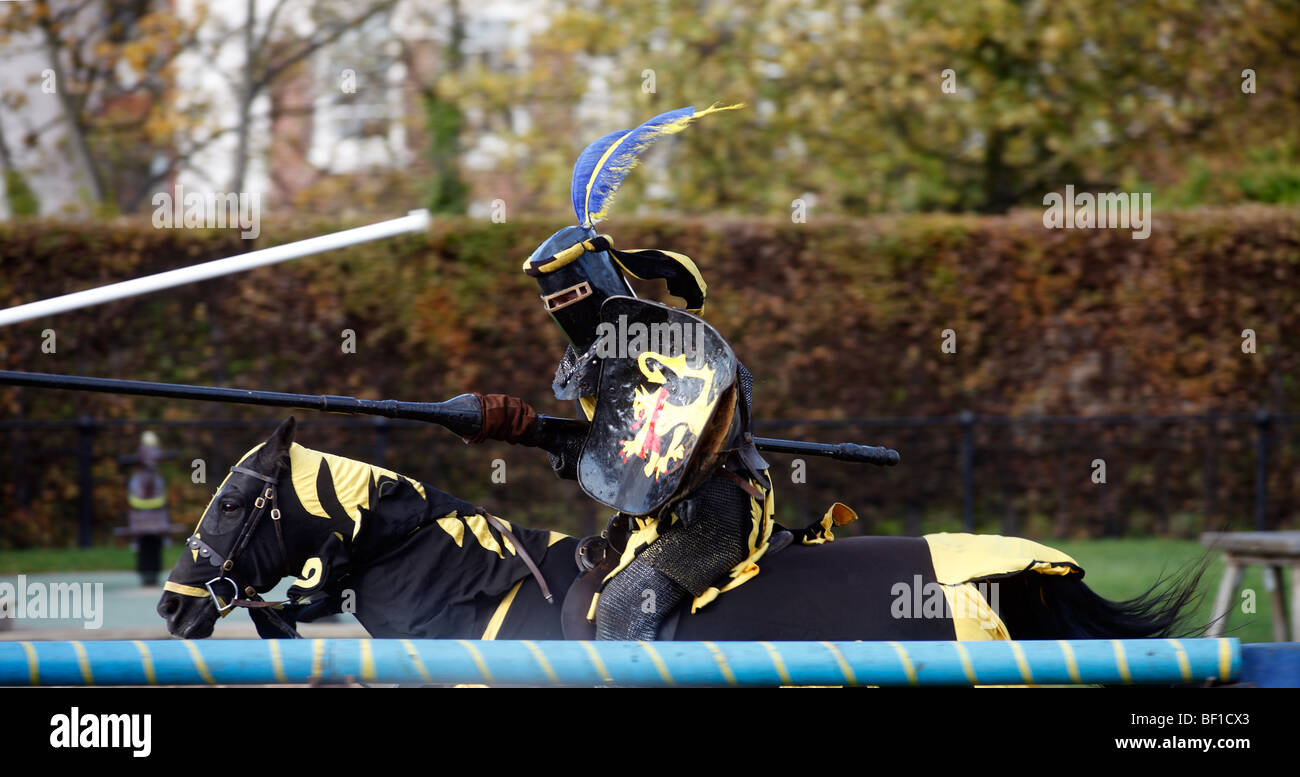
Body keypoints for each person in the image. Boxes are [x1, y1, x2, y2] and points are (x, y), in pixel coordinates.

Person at [475, 105, 782, 640]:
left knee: (622, 609)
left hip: (714, 513)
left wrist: (707, 440)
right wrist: (528, 432)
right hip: (651, 521)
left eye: (571, 297)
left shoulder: (678, 345)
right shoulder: (590, 366)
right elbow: (610, 456)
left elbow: (725, 398)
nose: (562, 312)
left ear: (598, 289)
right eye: (553, 304)